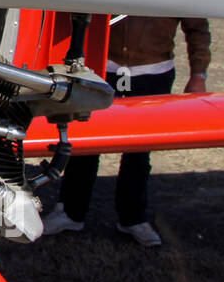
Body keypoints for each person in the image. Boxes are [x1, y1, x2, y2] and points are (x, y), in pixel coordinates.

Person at [43, 15, 211, 247]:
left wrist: (198, 75)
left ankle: (133, 219)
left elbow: (197, 27)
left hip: (153, 73)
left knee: (139, 151)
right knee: (87, 143)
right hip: (103, 66)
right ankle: (71, 212)